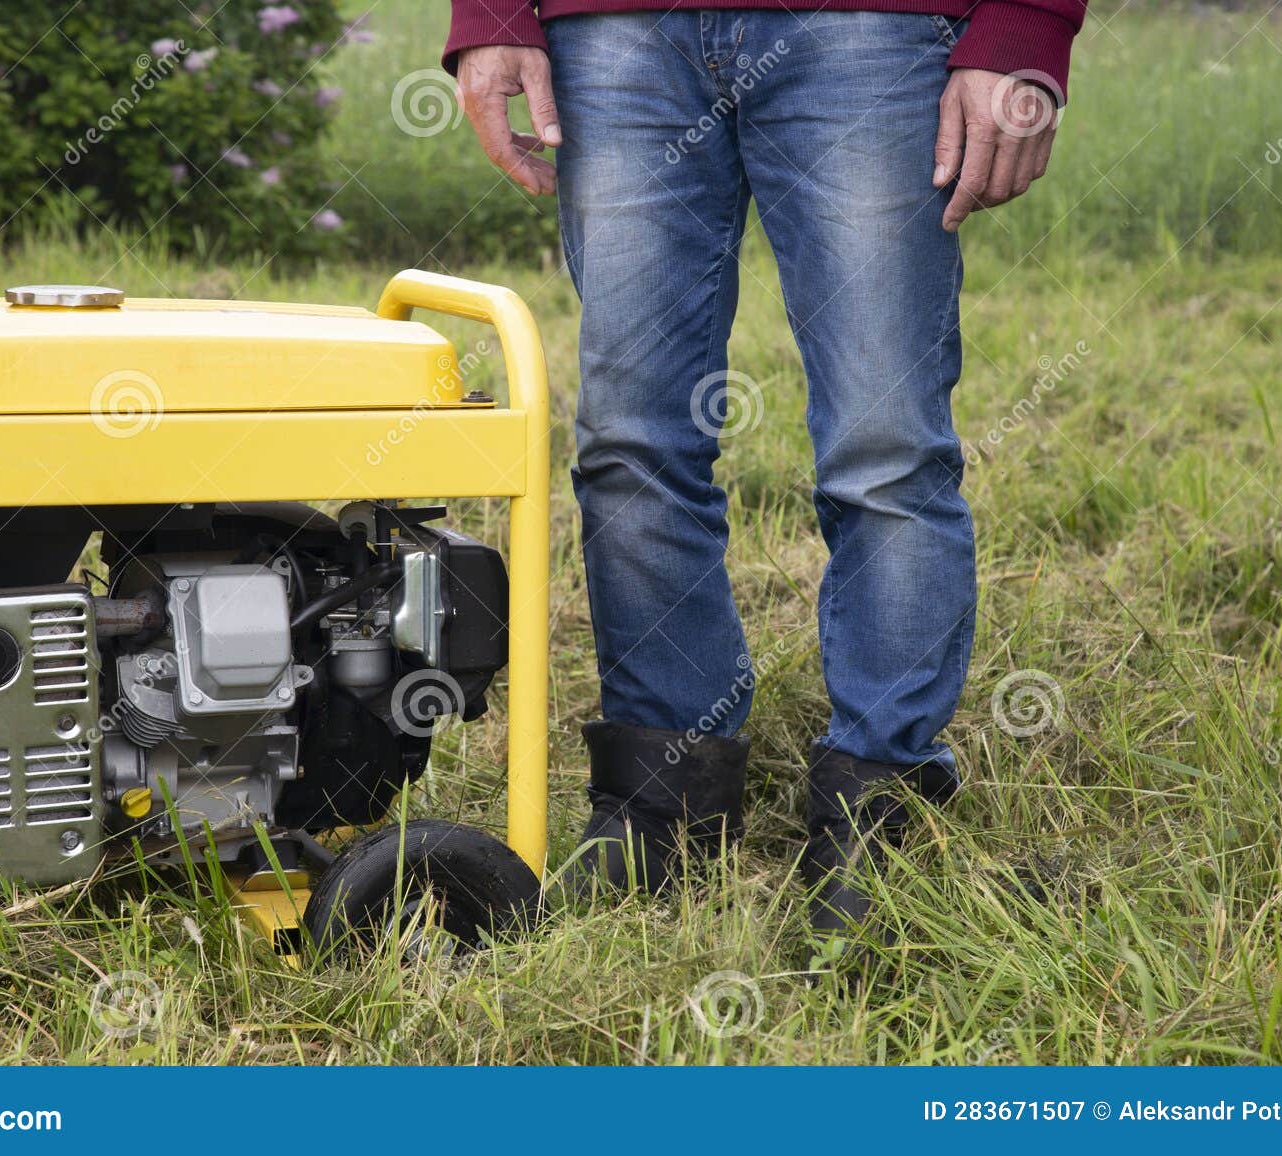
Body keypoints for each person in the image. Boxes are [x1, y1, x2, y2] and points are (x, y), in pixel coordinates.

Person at [444, 0, 1082, 941]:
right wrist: (492, 13)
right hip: (614, 33)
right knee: (630, 442)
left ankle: (881, 810)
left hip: (871, 27)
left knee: (886, 447)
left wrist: (1025, 32)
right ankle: (666, 797)